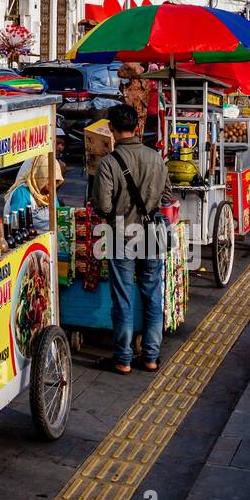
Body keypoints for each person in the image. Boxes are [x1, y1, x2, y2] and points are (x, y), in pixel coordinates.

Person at [90, 101, 173, 375]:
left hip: (120, 236)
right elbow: (166, 198)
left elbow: (101, 206)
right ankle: (150, 357)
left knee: (123, 299)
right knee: (152, 296)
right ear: (137, 127)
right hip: (151, 234)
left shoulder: (108, 163)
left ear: (112, 129)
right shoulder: (156, 159)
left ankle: (123, 359)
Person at [4, 153, 63, 235]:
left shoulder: (50, 192)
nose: (53, 186)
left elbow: (58, 217)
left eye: (56, 181)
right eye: (49, 181)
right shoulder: (22, 193)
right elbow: (14, 227)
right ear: (39, 176)